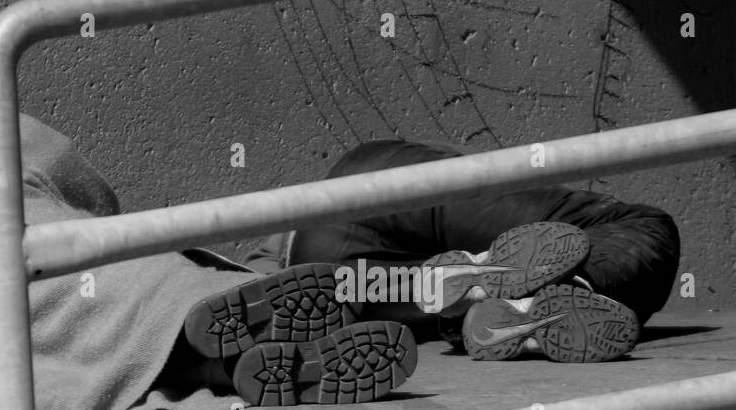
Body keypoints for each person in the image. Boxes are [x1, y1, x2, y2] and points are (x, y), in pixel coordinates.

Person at [244, 139, 681, 363]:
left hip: (332, 293)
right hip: (364, 193)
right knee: (640, 227)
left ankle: (501, 304)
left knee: (446, 302)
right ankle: (545, 292)